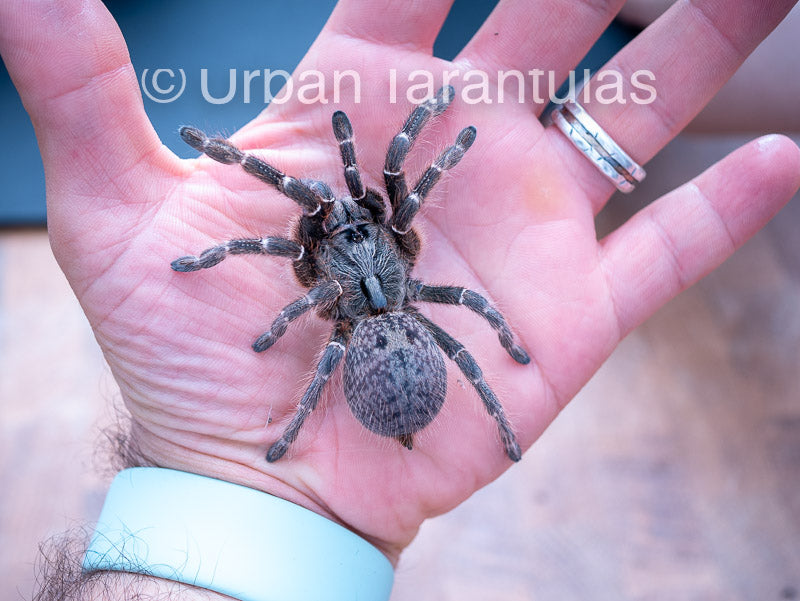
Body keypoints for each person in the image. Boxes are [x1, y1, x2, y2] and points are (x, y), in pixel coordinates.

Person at [2, 0, 799, 599]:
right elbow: (410, 193)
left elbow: (299, 252)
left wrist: (246, 469)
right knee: (453, 314)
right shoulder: (404, 265)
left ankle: (296, 448)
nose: (346, 224)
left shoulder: (320, 282)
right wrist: (441, 144)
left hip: (371, 342)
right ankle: (457, 406)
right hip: (399, 332)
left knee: (339, 274)